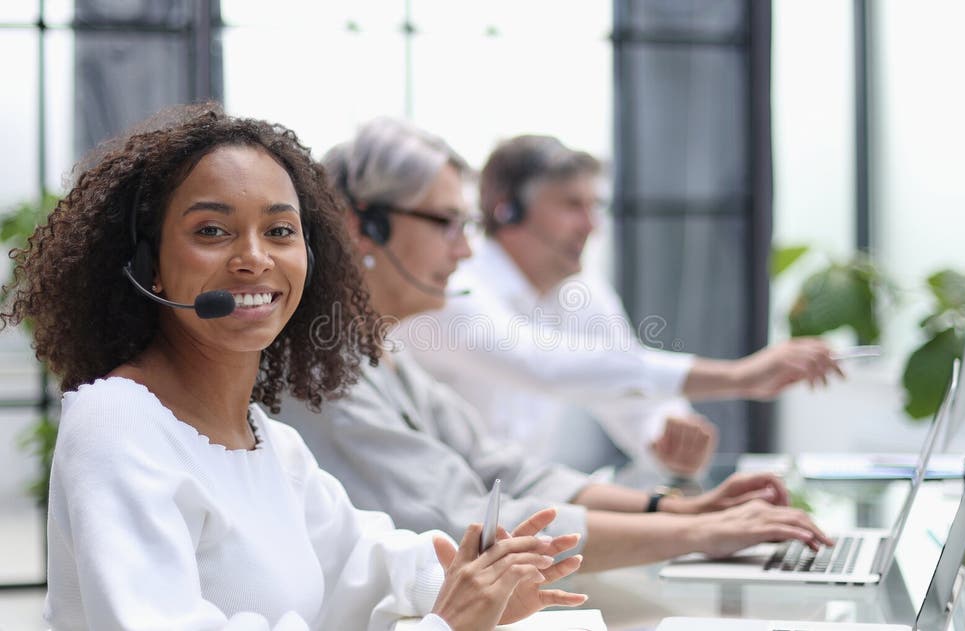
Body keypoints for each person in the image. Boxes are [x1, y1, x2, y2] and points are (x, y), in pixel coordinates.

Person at [0, 104, 587, 631]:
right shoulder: (118, 425)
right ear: (148, 264)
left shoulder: (265, 441)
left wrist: (469, 578)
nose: (254, 258)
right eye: (211, 230)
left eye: (280, 231)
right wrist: (448, 623)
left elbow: (360, 562)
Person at [277, 117, 832, 574]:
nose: (464, 251)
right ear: (360, 227)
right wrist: (694, 528)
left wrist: (677, 506)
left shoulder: (376, 351)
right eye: (447, 223)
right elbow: (465, 516)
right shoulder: (326, 366)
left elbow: (509, 471)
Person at [395, 134, 843, 483]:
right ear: (507, 210)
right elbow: (542, 362)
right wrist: (739, 376)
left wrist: (670, 436)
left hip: (519, 516)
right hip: (436, 526)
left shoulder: (581, 291)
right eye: (572, 205)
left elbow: (628, 388)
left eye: (595, 206)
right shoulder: (451, 286)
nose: (592, 226)